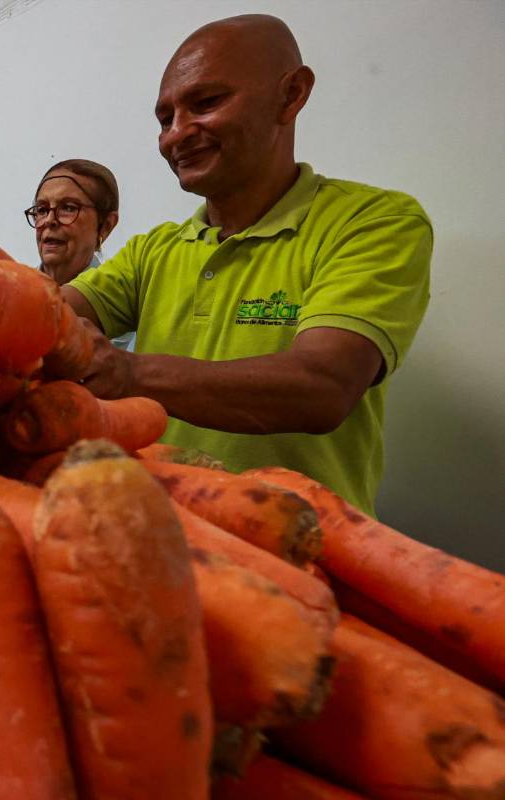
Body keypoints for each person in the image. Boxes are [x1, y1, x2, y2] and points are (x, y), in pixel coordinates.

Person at [63, 14, 432, 514]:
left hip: (304, 549)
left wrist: (128, 374)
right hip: (163, 529)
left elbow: (322, 385)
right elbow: (52, 310)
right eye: (164, 118)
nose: (176, 136)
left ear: (291, 94)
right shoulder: (154, 250)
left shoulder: (374, 221)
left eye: (206, 103)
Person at [25, 159, 133, 350]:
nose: (49, 220)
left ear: (106, 225)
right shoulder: (16, 289)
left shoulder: (120, 307)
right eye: (42, 210)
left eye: (68, 208)